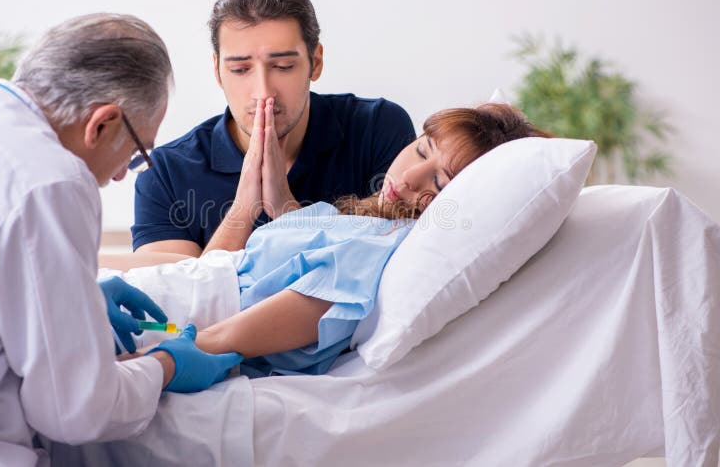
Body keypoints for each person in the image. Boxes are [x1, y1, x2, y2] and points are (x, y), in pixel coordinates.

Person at [0, 14, 242, 466]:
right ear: (103, 124)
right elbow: (75, 412)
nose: (116, 176)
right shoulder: (49, 179)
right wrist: (166, 366)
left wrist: (78, 294)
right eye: (134, 156)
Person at [108, 102, 551, 381]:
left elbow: (226, 336)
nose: (410, 177)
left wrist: (149, 365)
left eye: (439, 179)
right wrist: (274, 200)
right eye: (420, 150)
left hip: (172, 317)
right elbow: (292, 255)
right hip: (173, 292)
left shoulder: (383, 248)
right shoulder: (362, 222)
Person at [123, 0, 416, 264]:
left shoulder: (378, 128)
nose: (263, 92)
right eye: (240, 69)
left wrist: (287, 211)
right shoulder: (164, 173)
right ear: (217, 72)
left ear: (315, 62)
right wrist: (242, 211)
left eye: (283, 66)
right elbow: (174, 301)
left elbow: (389, 270)